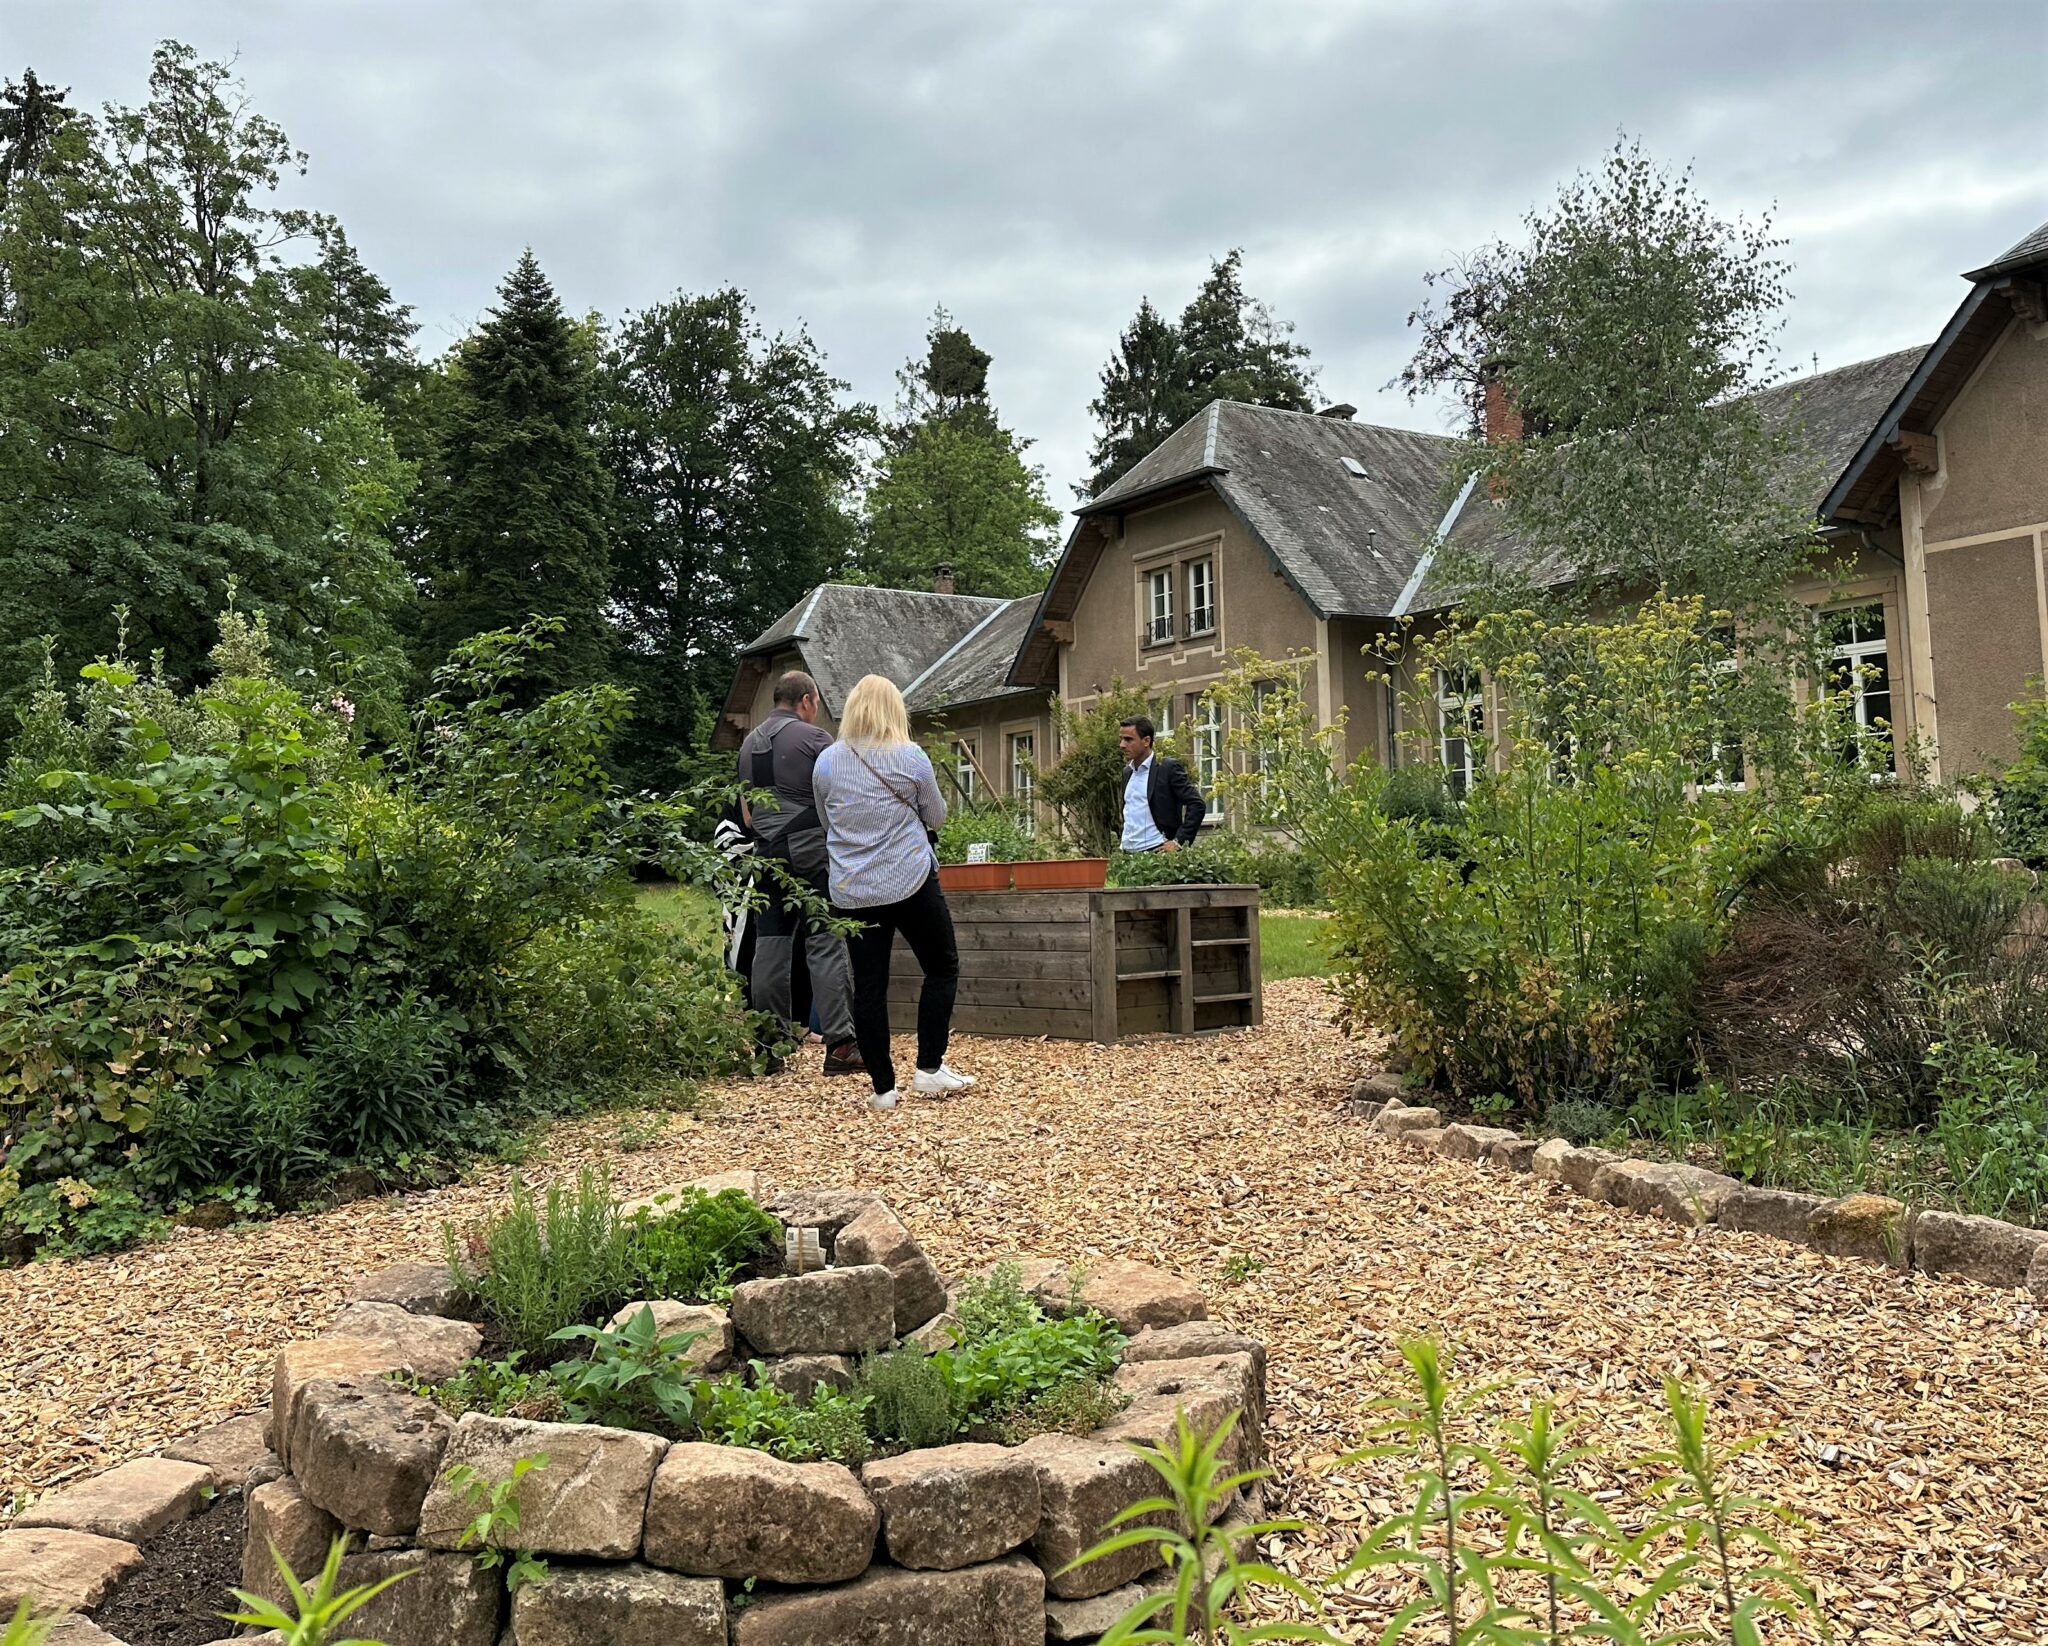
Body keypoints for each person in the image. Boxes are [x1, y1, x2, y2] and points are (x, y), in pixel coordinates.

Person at [810, 674, 975, 1112]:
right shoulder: (911, 756)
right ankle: (929, 1067)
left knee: (868, 988)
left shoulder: (826, 762)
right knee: (942, 966)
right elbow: (936, 816)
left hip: (853, 889)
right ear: (893, 710)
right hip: (911, 881)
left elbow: (827, 822)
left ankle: (883, 1089)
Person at [737, 671, 859, 1075]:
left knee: (769, 947)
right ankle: (840, 1045)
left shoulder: (747, 745)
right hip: (810, 853)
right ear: (806, 700)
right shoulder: (815, 739)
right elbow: (842, 799)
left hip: (766, 854)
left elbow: (748, 814)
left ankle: (769, 1048)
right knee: (825, 941)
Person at [1118, 714, 1206, 852]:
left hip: (1157, 852)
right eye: (1121, 739)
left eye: (1128, 739)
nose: (1122, 745)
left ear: (1146, 741)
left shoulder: (1167, 768)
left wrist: (1179, 842)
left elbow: (1197, 804)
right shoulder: (1127, 772)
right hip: (1128, 854)